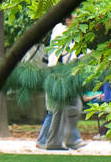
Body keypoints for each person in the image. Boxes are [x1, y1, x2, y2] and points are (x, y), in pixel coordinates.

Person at [37, 18, 87, 151]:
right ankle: (69, 140)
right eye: (75, 17)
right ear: (68, 19)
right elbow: (68, 53)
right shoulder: (62, 31)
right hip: (59, 75)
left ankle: (48, 140)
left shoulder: (66, 32)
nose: (78, 20)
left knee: (60, 109)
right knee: (61, 109)